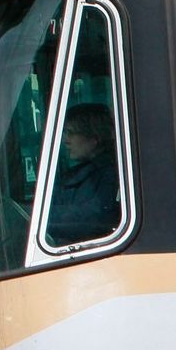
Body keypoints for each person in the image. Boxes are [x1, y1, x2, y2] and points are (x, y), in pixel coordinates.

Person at [44, 103, 119, 246]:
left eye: (71, 133)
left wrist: (42, 217)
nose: (66, 141)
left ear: (94, 138)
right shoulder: (80, 173)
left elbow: (91, 217)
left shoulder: (110, 175)